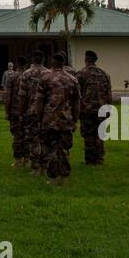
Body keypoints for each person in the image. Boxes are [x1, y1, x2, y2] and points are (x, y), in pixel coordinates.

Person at [30, 53, 79, 184]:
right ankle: (65, 176)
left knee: (50, 149)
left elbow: (39, 101)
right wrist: (75, 119)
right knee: (64, 149)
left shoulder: (45, 78)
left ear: (52, 62)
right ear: (63, 63)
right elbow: (76, 102)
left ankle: (53, 178)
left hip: (49, 119)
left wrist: (38, 118)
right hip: (66, 119)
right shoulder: (72, 79)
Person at [76, 50, 111, 165]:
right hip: (101, 108)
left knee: (88, 135)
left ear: (86, 59)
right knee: (99, 134)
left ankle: (90, 159)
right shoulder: (104, 73)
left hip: (87, 109)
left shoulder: (81, 74)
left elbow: (77, 94)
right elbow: (108, 93)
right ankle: (99, 158)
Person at [18, 55, 46, 171]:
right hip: (45, 111)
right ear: (43, 60)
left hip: (31, 110)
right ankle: (45, 165)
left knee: (34, 139)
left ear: (33, 60)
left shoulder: (26, 74)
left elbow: (22, 96)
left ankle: (35, 167)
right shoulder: (48, 73)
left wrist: (20, 112)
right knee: (45, 139)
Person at [1, 61, 25, 165]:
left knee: (17, 136)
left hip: (15, 111)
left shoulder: (12, 77)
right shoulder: (30, 76)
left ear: (16, 66)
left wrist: (7, 112)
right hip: (28, 111)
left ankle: (18, 160)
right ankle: (28, 159)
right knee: (29, 135)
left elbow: (8, 96)